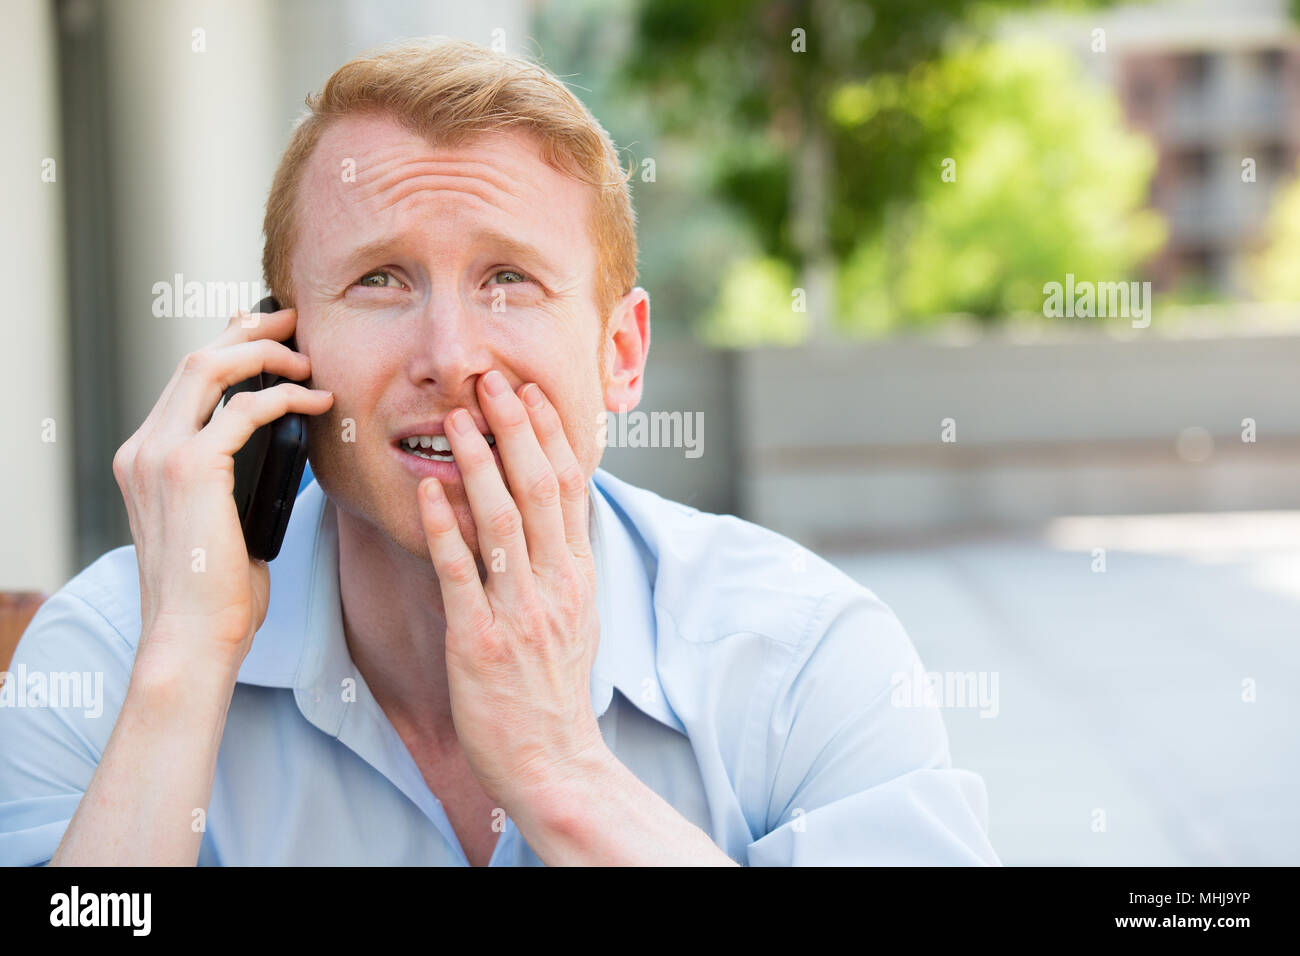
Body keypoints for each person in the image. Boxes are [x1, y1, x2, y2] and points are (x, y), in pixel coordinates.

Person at [0, 37, 998, 866]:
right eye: (380, 280)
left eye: (509, 280)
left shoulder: (805, 655)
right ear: (275, 352)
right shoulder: (113, 647)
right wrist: (178, 667)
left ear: (620, 353)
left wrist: (564, 774)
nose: (448, 355)